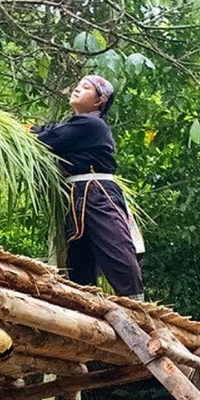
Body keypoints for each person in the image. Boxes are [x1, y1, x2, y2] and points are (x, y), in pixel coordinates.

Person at [33, 75, 145, 300]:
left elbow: (48, 138)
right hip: (78, 196)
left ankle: (137, 304)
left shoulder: (91, 124)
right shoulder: (75, 124)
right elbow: (50, 130)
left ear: (99, 102)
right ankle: (85, 301)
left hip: (96, 192)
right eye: (77, 86)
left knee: (115, 245)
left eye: (86, 88)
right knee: (80, 255)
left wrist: (31, 131)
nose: (77, 90)